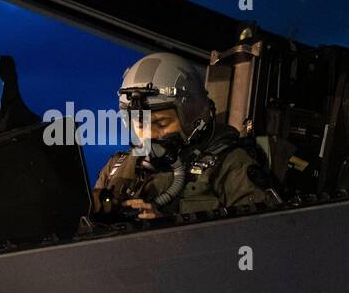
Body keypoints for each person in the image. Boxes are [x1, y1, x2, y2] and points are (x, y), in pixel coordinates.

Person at [92, 52, 272, 221]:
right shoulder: (116, 168)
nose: (148, 135)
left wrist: (168, 231)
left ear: (194, 118)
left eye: (161, 123)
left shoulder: (231, 167)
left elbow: (257, 242)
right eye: (140, 124)